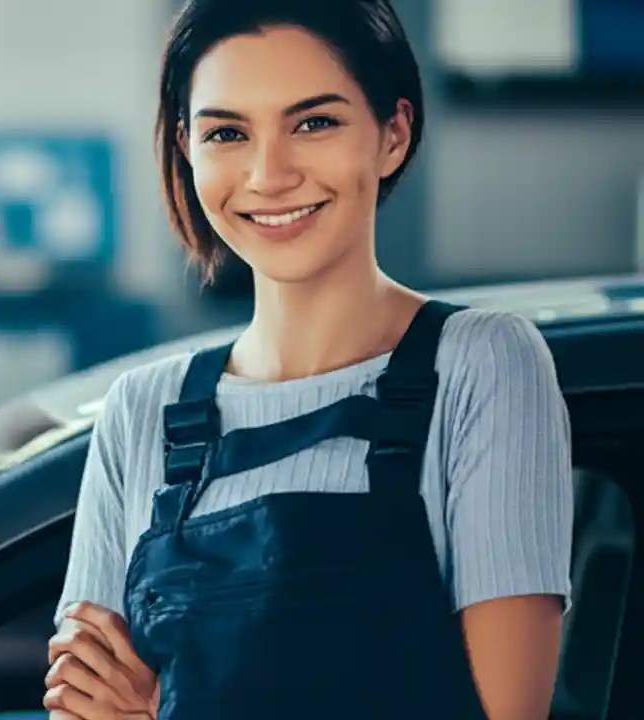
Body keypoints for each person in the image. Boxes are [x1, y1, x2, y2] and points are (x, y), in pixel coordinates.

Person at [42, 1, 573, 718]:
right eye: (227, 132)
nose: (269, 174)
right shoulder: (142, 413)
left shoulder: (485, 365)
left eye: (314, 122)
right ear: (186, 148)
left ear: (393, 134)